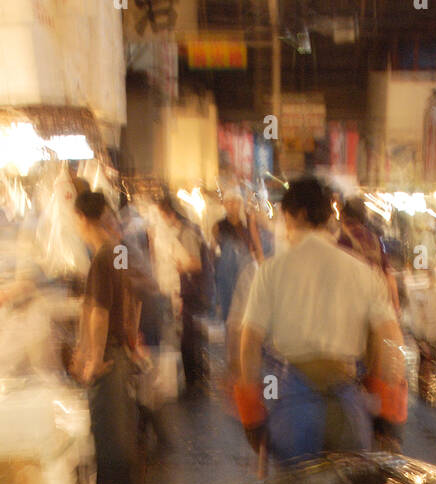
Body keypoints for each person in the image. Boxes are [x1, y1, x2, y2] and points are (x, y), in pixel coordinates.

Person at [236, 177, 407, 465]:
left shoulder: (271, 272)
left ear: (294, 215)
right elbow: (392, 339)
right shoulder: (362, 272)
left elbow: (249, 344)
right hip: (347, 408)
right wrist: (386, 410)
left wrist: (252, 416)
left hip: (293, 411)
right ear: (329, 216)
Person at [71, 189, 144, 484]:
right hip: (119, 351)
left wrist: (93, 360)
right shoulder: (116, 252)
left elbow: (99, 313)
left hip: (110, 358)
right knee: (119, 431)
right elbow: (127, 303)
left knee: (110, 437)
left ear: (83, 218)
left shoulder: (103, 257)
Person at [156, 194, 211, 394]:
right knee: (190, 334)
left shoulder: (187, 232)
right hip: (191, 290)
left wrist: (178, 266)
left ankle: (194, 381)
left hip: (192, 291)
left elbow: (195, 263)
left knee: (189, 336)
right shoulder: (182, 230)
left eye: (162, 214)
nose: (162, 219)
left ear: (171, 213)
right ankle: (195, 378)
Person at [212, 190, 257, 323]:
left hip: (245, 273)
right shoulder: (218, 226)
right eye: (228, 202)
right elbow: (214, 250)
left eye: (235, 202)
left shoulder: (247, 225)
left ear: (240, 204)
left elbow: (253, 248)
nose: (232, 205)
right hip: (226, 276)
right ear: (224, 205)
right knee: (229, 315)